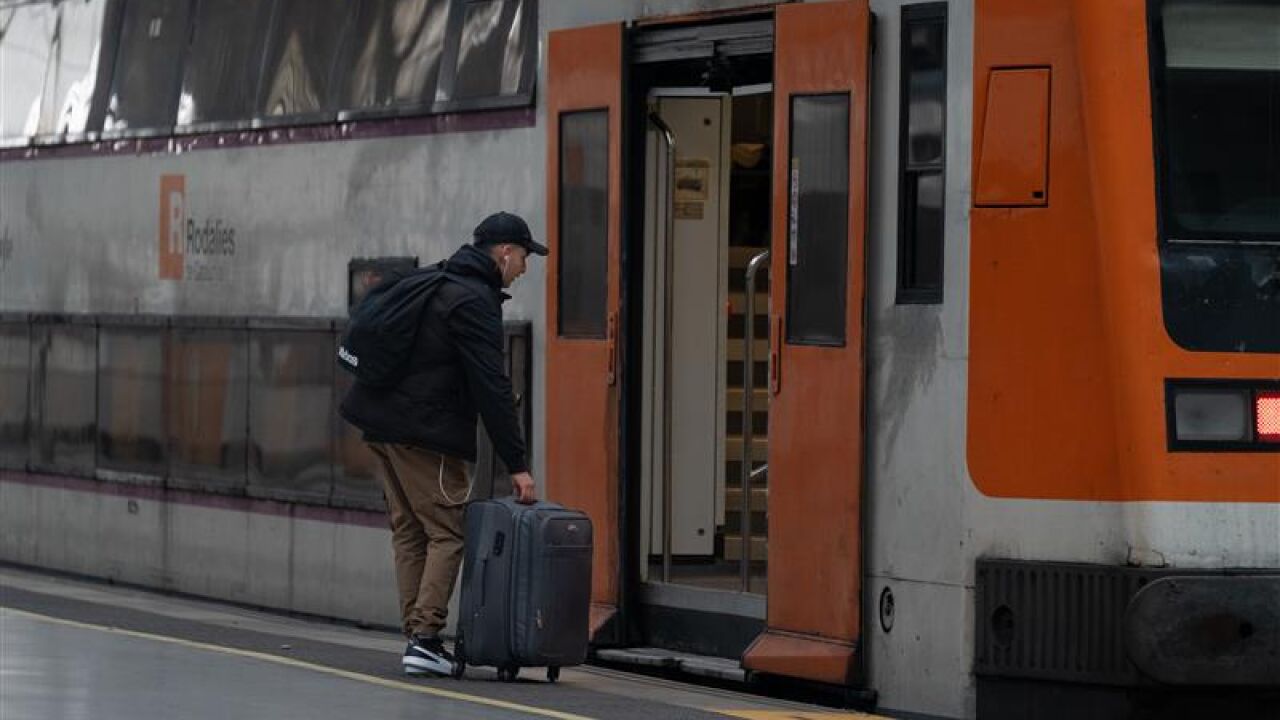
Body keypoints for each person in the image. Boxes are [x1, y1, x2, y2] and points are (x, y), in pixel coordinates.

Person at [340, 211, 546, 677]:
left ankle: (416, 638)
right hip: (424, 435)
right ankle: (427, 636)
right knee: (449, 531)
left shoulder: (439, 278)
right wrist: (518, 464)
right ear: (506, 253)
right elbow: (491, 386)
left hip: (381, 426)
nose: (525, 269)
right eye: (525, 258)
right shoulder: (474, 301)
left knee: (411, 531)